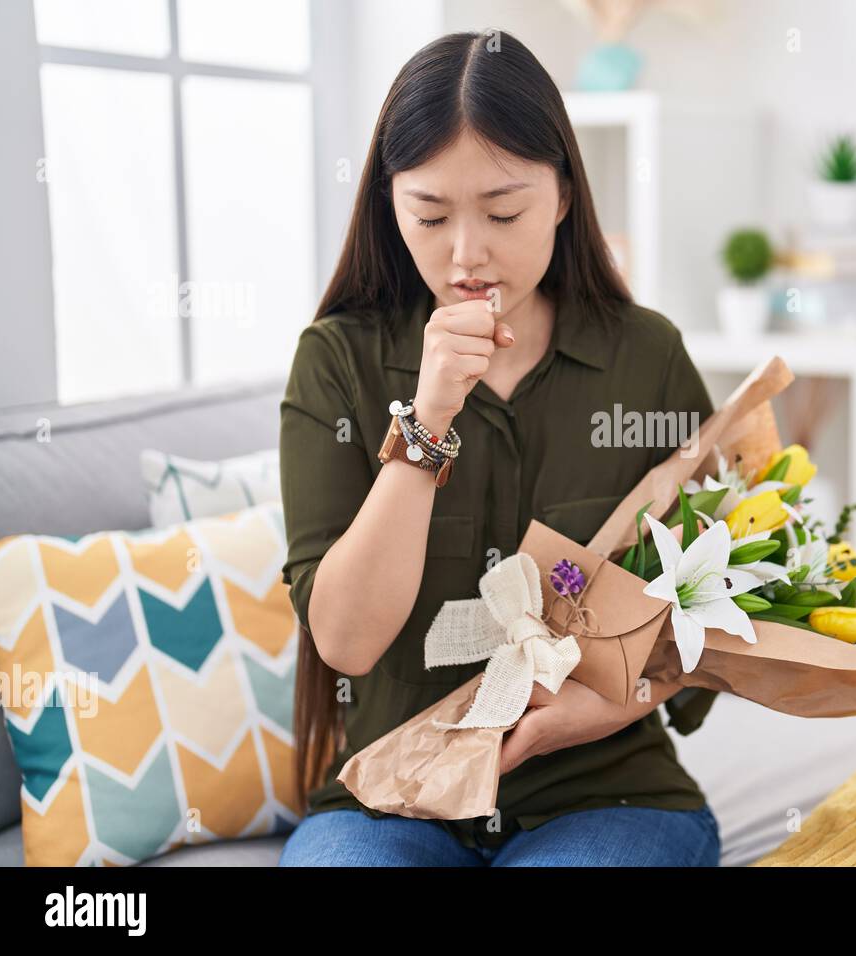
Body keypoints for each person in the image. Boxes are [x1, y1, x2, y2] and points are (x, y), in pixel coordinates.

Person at [276, 30, 723, 866]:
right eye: (430, 216)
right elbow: (345, 641)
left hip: (606, 794)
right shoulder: (338, 361)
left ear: (561, 195)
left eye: (505, 212)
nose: (466, 253)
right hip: (390, 801)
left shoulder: (646, 356)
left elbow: (719, 607)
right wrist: (428, 420)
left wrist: (617, 706)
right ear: (389, 206)